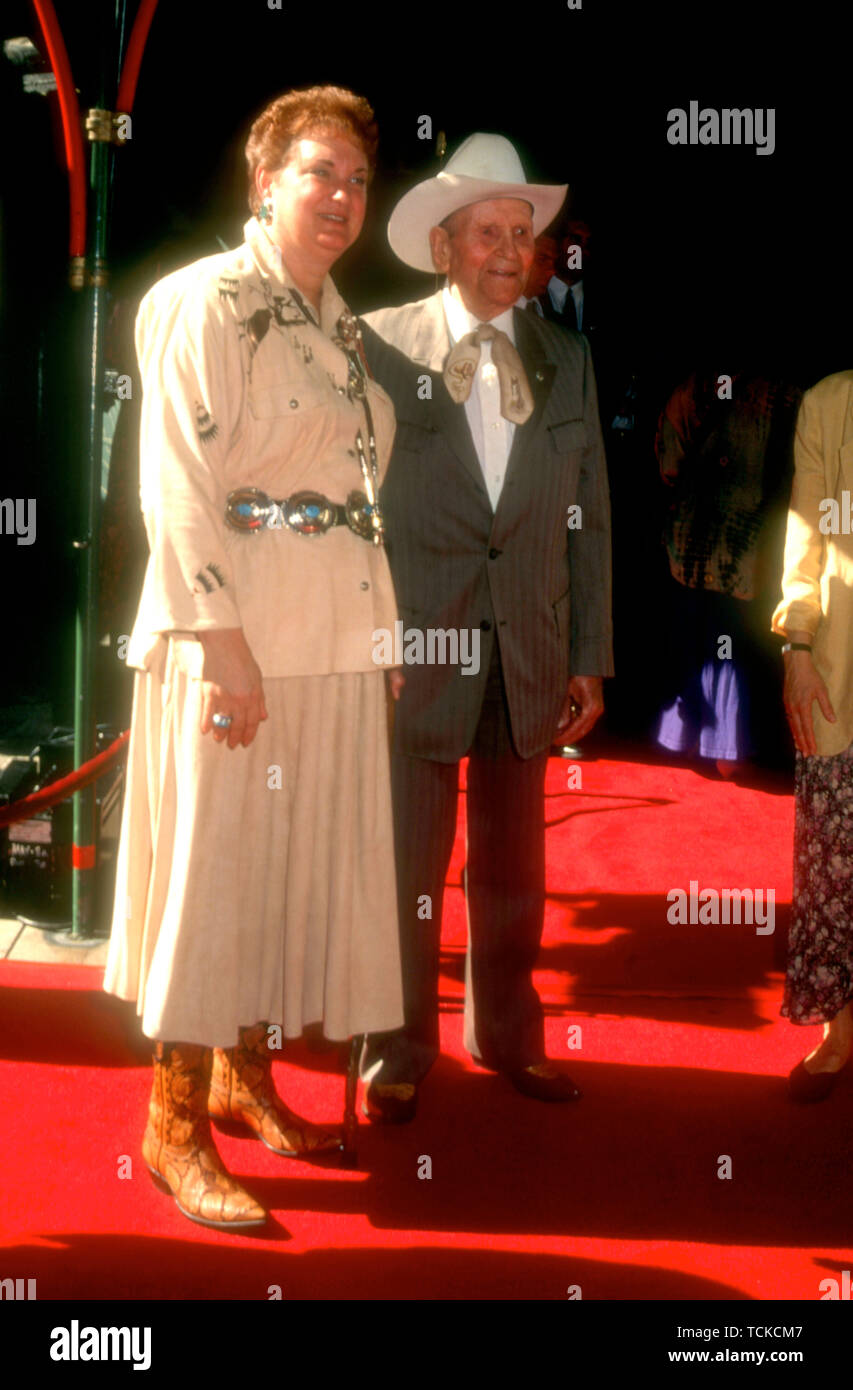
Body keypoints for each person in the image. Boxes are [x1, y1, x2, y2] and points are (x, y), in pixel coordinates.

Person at [104, 85, 404, 1229]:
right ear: (264, 180)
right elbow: (175, 486)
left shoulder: (338, 327)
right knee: (215, 871)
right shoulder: (203, 303)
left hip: (328, 633)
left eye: (357, 181)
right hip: (233, 634)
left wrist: (378, 630)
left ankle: (243, 1077)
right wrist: (224, 647)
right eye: (318, 173)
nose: (340, 198)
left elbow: (356, 499)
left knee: (285, 874)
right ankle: (171, 1121)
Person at [358, 133, 613, 1122]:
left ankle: (509, 1035)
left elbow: (589, 510)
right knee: (406, 868)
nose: (510, 251)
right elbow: (352, 509)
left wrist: (590, 653)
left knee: (515, 863)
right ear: (442, 244)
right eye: (488, 233)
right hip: (414, 647)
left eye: (523, 231)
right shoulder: (375, 344)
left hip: (528, 641)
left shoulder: (569, 358)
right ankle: (397, 1046)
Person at [771, 370, 853, 1102]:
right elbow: (808, 533)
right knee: (836, 858)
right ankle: (841, 1029)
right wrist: (796, 645)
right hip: (841, 667)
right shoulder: (830, 405)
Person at [655, 370, 801, 777]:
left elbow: (669, 462)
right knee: (728, 646)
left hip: (691, 540)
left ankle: (683, 735)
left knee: (696, 639)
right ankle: (725, 747)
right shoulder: (792, 395)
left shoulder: (695, 386)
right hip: (750, 546)